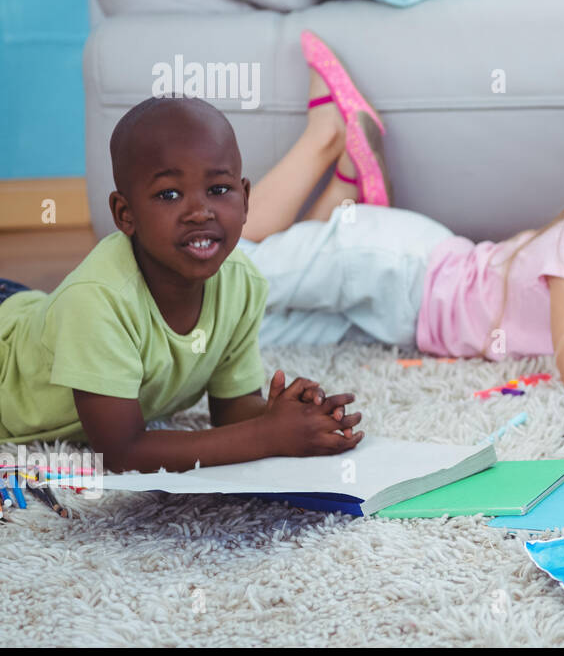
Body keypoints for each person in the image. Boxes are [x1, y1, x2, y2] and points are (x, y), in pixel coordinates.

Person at [236, 32, 564, 394]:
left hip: (398, 321)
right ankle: (326, 138)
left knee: (243, 331)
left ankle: (345, 199)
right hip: (395, 269)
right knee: (224, 273)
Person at [0, 97, 362, 470]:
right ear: (126, 215)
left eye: (219, 189)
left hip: (29, 310)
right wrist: (267, 435)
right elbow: (121, 451)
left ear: (246, 198)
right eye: (169, 194)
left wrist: (283, 415)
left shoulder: (241, 283)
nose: (200, 212)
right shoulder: (98, 300)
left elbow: (231, 408)